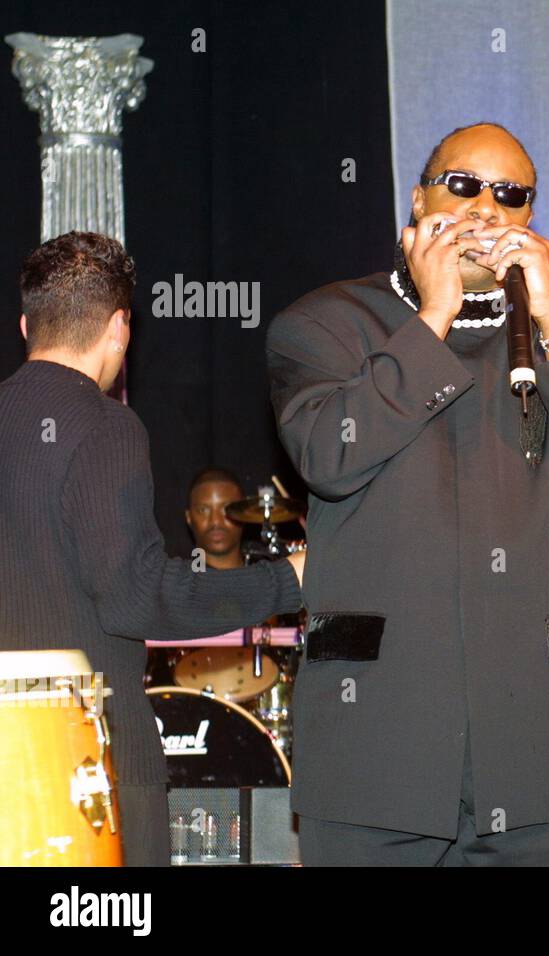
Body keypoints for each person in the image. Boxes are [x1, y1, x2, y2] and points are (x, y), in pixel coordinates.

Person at [266, 122, 549, 866]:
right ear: (418, 200)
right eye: (463, 185)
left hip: (538, 750)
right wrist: (431, 316)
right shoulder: (325, 324)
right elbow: (328, 456)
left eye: (511, 196)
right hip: (379, 750)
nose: (485, 209)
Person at [0, 231, 305, 866]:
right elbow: (135, 599)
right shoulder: (105, 425)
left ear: (27, 323)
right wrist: (285, 580)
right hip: (83, 755)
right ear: (120, 328)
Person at [185, 466, 246, 570]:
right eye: (203, 510)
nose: (215, 521)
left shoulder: (268, 579)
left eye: (226, 509)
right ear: (189, 517)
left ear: (245, 513)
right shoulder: (173, 582)